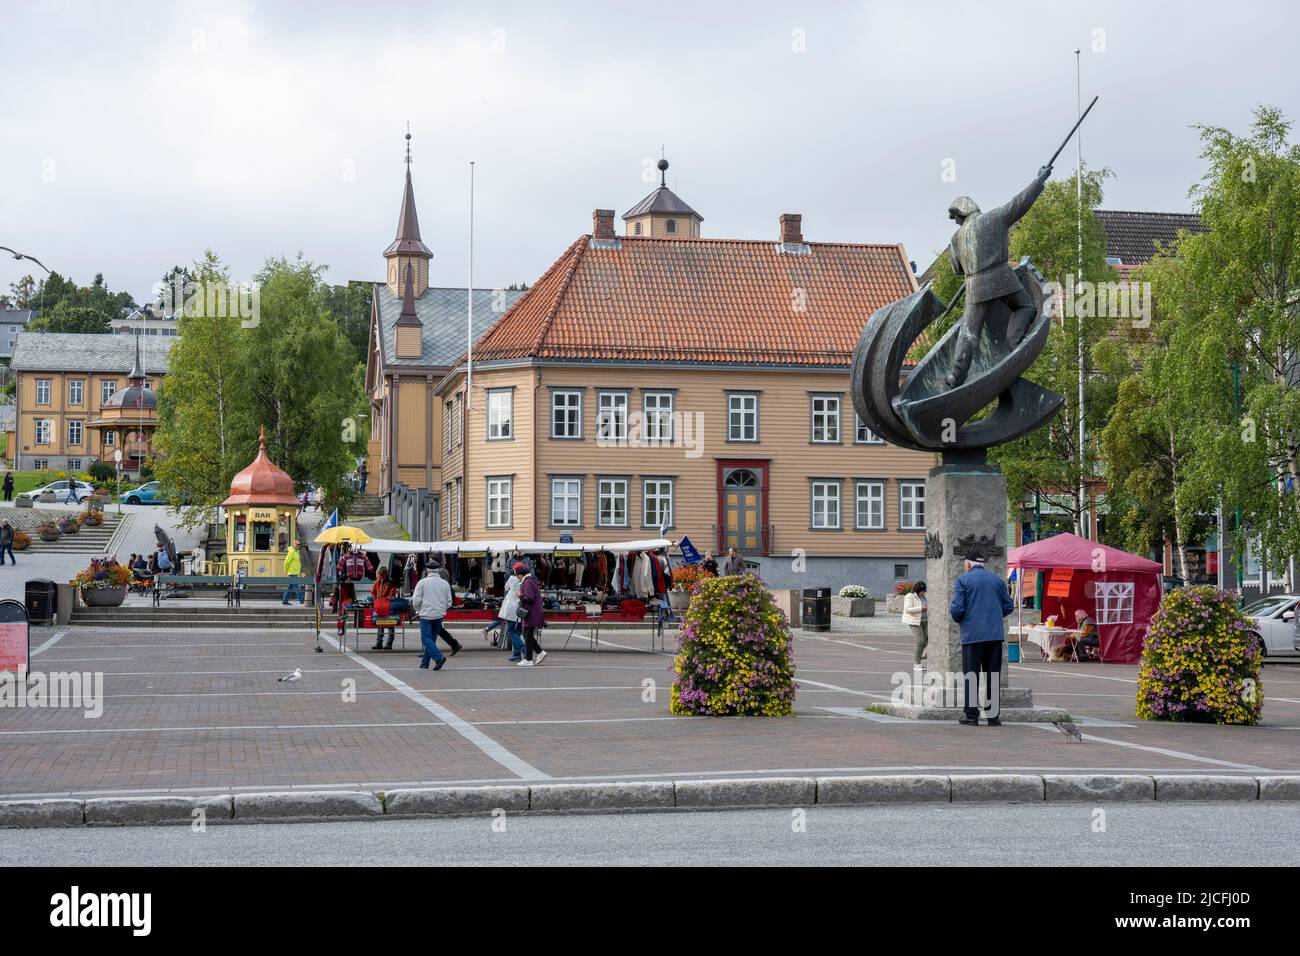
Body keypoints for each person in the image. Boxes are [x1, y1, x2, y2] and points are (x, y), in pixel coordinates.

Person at [944, 164, 1053, 389]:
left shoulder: (955, 239)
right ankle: (1015, 343)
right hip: (1000, 278)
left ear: (961, 214)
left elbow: (957, 270)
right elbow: (1020, 203)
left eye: (955, 218)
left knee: (969, 332)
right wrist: (1040, 180)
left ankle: (956, 374)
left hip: (974, 286)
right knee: (1026, 307)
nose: (956, 222)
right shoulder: (993, 218)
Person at [949, 546, 1013, 726]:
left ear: (968, 564)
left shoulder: (963, 580)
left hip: (972, 635)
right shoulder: (997, 581)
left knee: (971, 675)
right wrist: (992, 616)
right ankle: (993, 716)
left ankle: (971, 715)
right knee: (992, 675)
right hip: (994, 636)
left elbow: (956, 608)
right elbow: (1008, 606)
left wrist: (962, 619)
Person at [410, 566, 452, 670]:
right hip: (439, 615)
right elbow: (449, 601)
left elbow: (416, 600)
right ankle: (425, 663)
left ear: (427, 571)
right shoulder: (445, 583)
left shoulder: (422, 582)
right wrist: (442, 609)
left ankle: (438, 658)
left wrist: (418, 609)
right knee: (431, 640)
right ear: (438, 571)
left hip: (426, 615)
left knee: (426, 639)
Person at [515, 563, 547, 666]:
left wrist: (520, 595)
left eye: (517, 575)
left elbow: (530, 597)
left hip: (531, 612)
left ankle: (528, 659)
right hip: (533, 612)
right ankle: (539, 652)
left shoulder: (528, 582)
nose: (517, 577)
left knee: (527, 635)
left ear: (520, 574)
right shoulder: (531, 580)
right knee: (527, 634)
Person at [370, 567, 408, 650]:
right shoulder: (377, 582)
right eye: (379, 576)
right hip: (380, 606)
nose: (379, 578)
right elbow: (373, 592)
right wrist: (375, 599)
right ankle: (379, 643)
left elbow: (392, 596)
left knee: (390, 624)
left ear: (385, 575)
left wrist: (383, 600)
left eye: (381, 576)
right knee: (380, 624)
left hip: (388, 606)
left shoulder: (391, 583)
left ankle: (389, 643)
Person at [498, 561, 527, 662]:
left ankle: (523, 648)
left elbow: (506, 587)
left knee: (511, 631)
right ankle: (516, 654)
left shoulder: (511, 578)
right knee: (517, 631)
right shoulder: (524, 580)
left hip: (511, 608)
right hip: (519, 608)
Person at [902, 581, 928, 665]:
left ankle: (922, 655)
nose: (923, 592)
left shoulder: (924, 596)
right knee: (920, 641)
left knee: (926, 641)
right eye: (921, 591)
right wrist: (921, 608)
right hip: (915, 622)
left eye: (924, 590)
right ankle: (917, 663)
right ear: (917, 590)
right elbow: (908, 609)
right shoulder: (909, 596)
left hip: (925, 621)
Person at [282, 540, 305, 605]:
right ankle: (302, 600)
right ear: (294, 544)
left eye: (299, 545)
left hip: (295, 572)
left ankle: (285, 600)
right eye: (297, 544)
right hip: (292, 572)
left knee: (290, 587)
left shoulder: (296, 552)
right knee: (296, 587)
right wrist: (286, 571)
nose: (298, 546)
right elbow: (286, 562)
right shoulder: (292, 552)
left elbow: (296, 562)